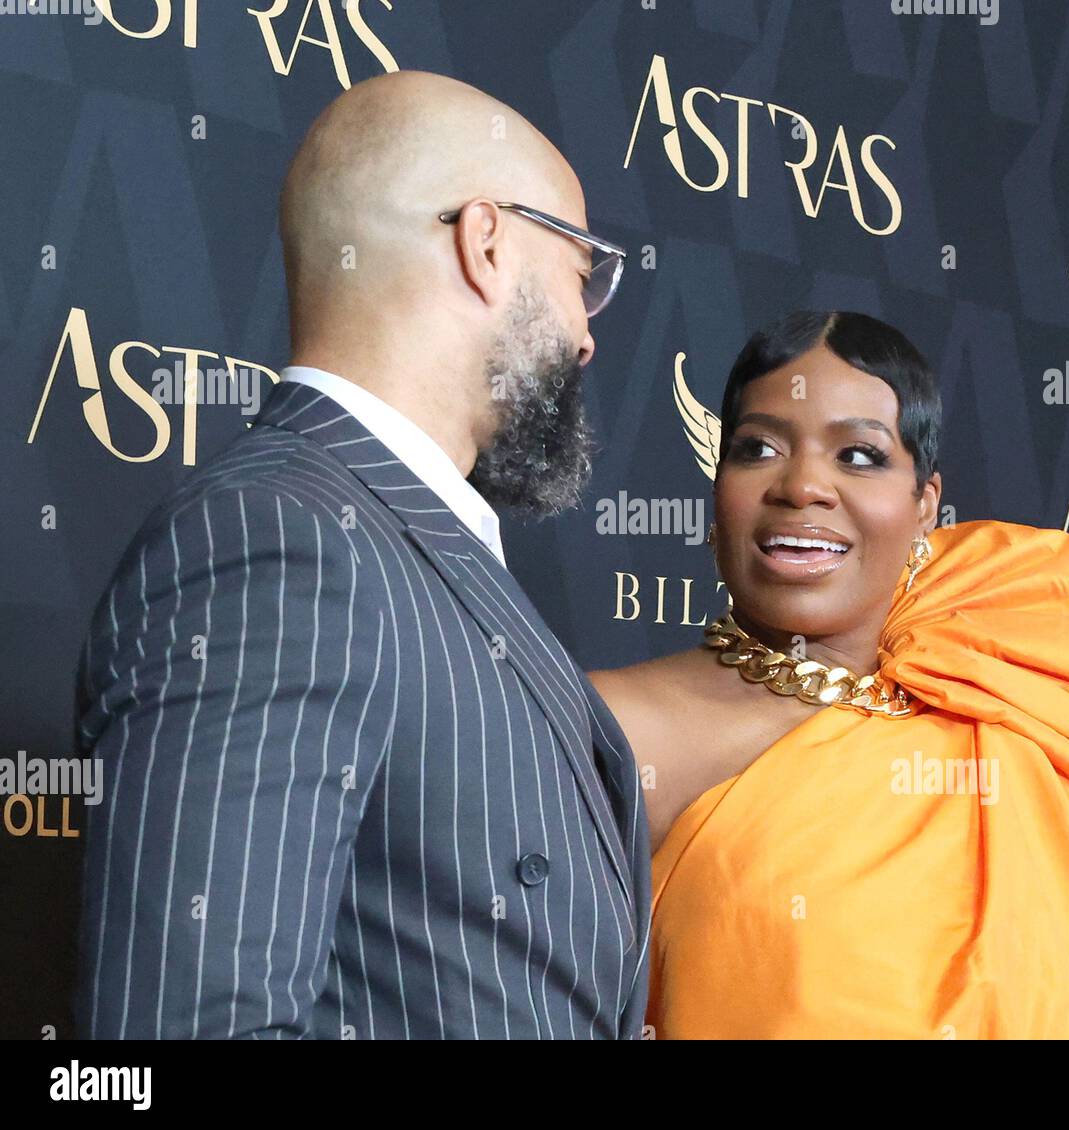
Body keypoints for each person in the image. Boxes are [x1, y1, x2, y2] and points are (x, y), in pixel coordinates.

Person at [75, 71, 649, 1039]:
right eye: (582, 271)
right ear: (487, 242)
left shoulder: (390, 535)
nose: (588, 335)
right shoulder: (277, 542)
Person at [591, 309, 1069, 1039]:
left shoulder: (1013, 698)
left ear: (925, 504)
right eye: (759, 448)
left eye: (859, 456)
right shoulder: (610, 729)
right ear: (719, 485)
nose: (802, 486)